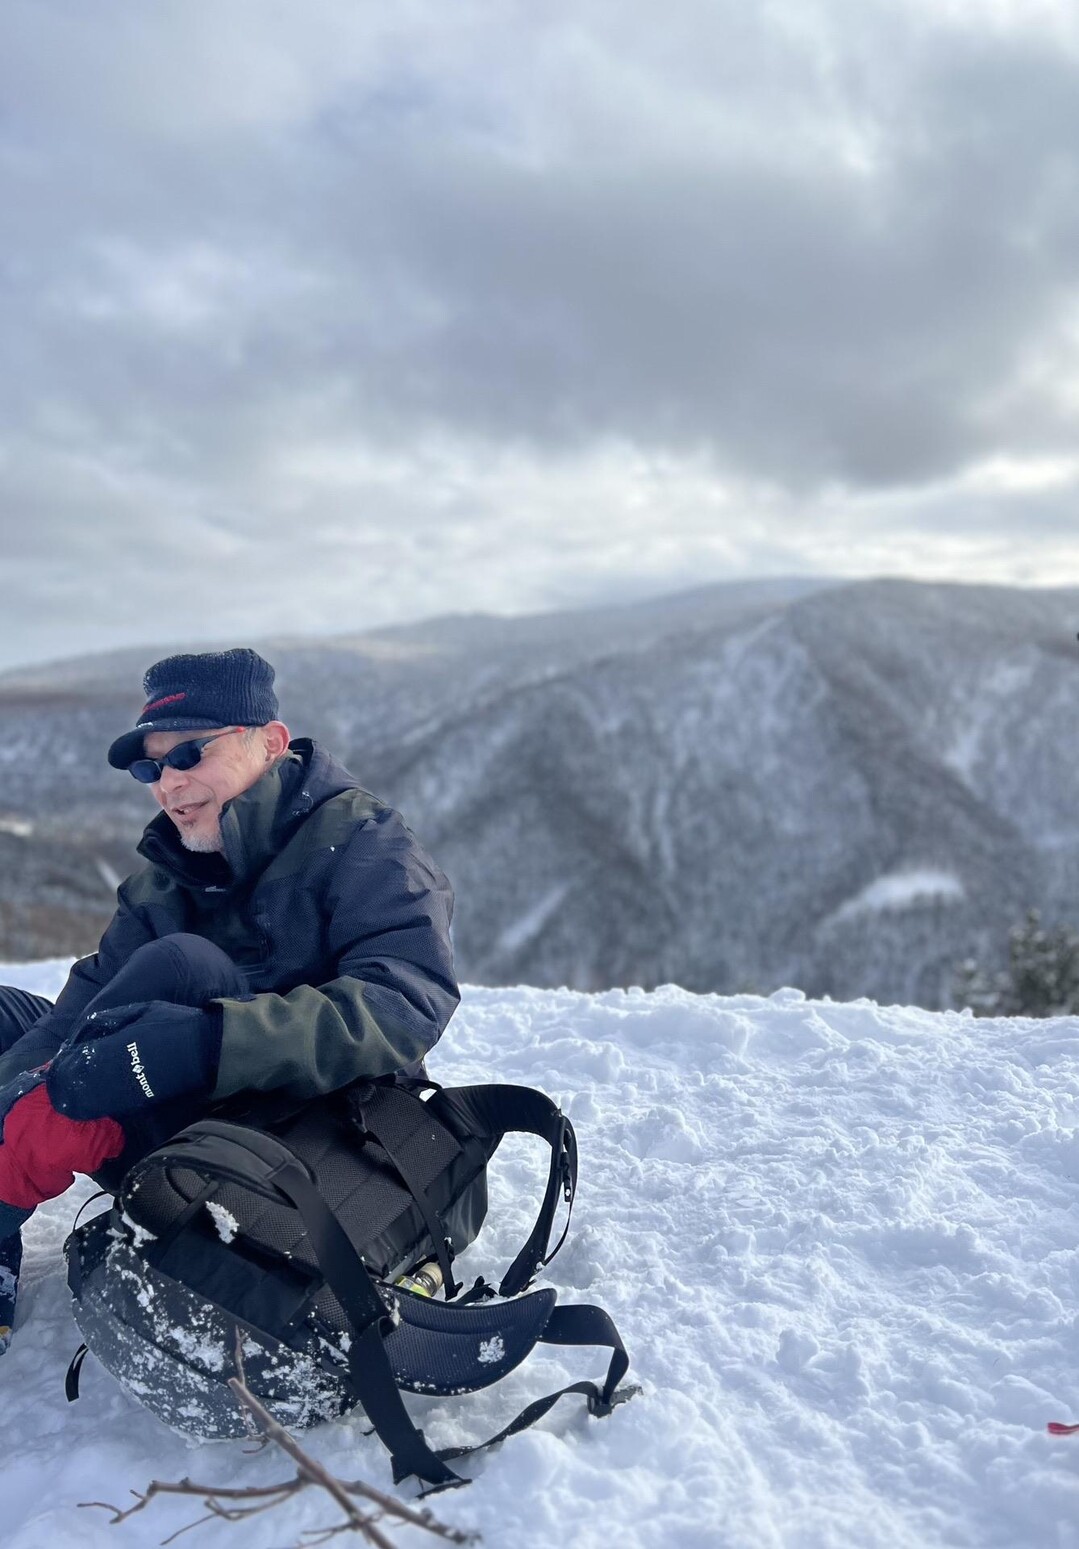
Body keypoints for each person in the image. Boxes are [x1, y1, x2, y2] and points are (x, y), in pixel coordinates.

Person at [0, 648, 459, 1352]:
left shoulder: (364, 844)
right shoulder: (167, 876)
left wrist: (208, 1042)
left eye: (189, 753)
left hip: (282, 1143)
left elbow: (403, 1002)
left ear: (270, 743)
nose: (169, 782)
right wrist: (29, 1089)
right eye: (152, 767)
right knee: (14, 1020)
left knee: (185, 965)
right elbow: (83, 1005)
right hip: (158, 1106)